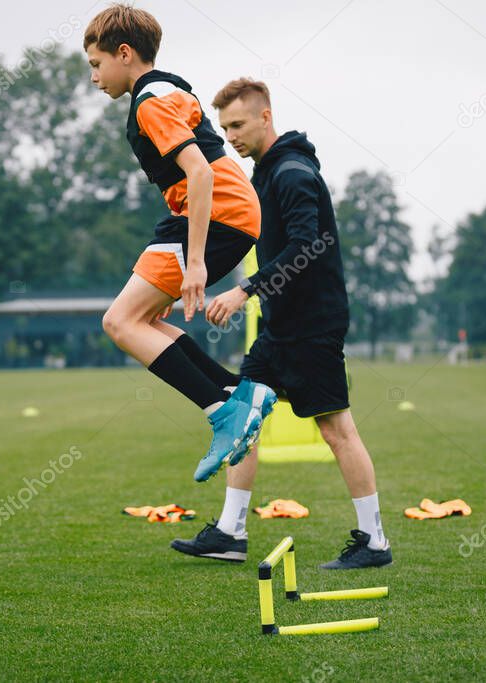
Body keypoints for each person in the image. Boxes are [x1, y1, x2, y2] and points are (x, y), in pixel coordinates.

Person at [171, 78, 392, 569]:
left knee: (337, 430)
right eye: (225, 126)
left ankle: (375, 542)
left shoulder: (291, 173)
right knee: (241, 417)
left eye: (239, 124)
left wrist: (244, 288)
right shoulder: (264, 174)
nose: (230, 134)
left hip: (313, 327)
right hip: (278, 329)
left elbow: (306, 246)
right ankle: (230, 531)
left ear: (265, 117)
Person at [82, 5, 276, 482]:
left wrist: (194, 265)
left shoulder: (149, 102)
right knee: (140, 318)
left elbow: (201, 172)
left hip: (217, 216)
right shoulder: (167, 86)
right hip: (221, 215)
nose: (93, 77)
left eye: (95, 64)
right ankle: (234, 391)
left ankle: (223, 411)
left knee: (119, 322)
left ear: (123, 53)